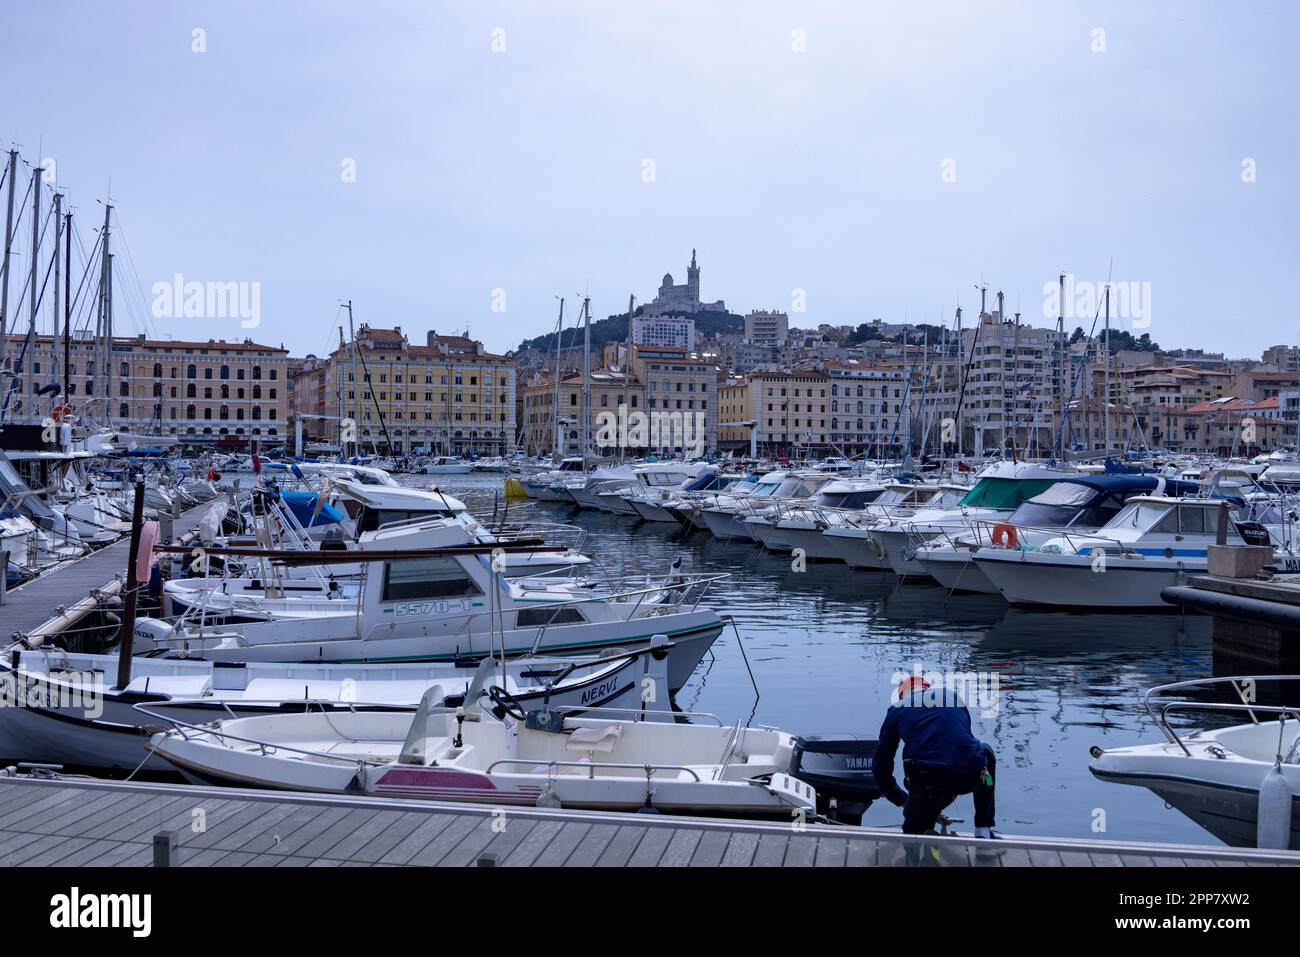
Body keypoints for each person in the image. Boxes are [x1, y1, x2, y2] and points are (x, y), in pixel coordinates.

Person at [872, 675, 999, 838]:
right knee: (985, 754)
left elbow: (881, 769)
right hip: (974, 777)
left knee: (914, 834)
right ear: (928, 688)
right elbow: (963, 740)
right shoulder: (952, 696)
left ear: (902, 695)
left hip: (928, 784)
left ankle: (924, 826)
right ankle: (983, 828)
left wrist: (903, 800)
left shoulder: (897, 709)